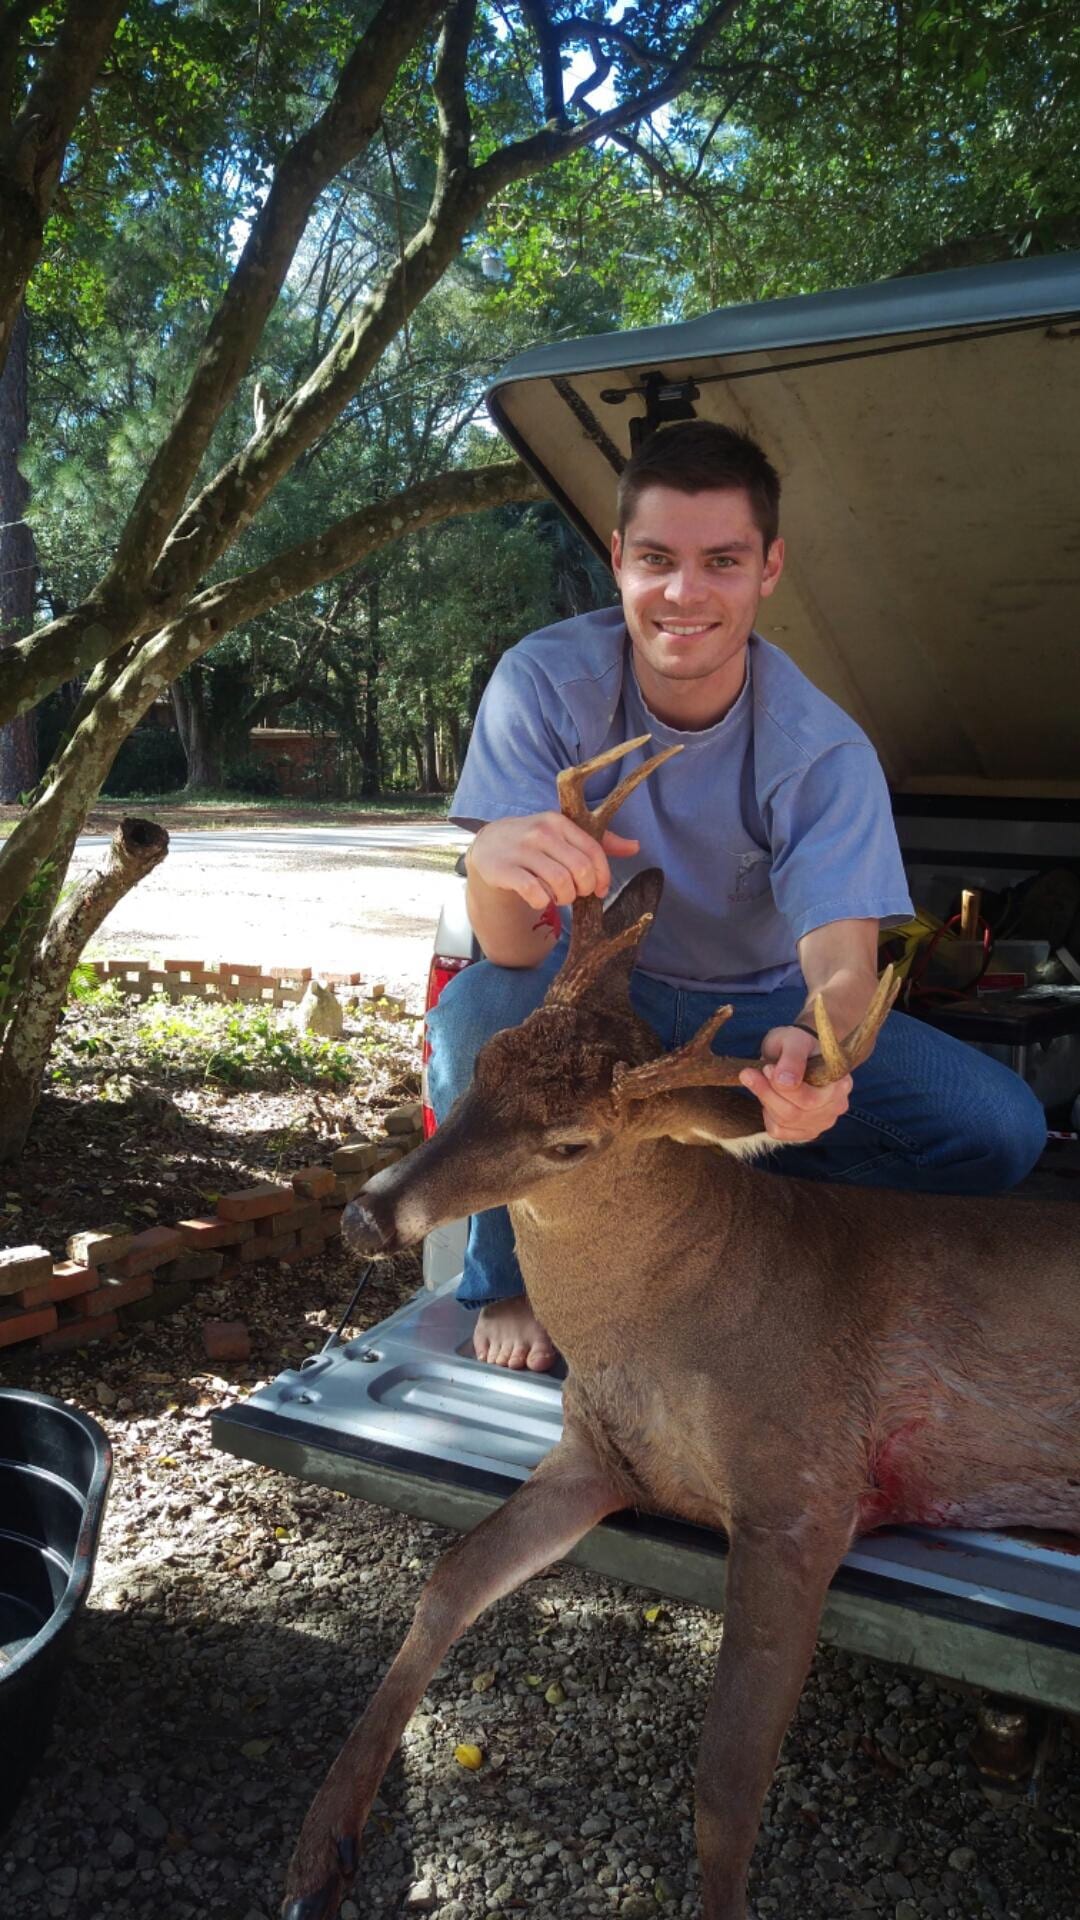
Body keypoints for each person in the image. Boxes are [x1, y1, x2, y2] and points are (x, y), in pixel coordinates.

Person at [427, 421, 1046, 1370]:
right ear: (618, 561)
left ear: (769, 567)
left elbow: (842, 965)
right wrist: (488, 863)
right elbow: (512, 956)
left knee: (999, 1129)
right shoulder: (544, 684)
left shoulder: (821, 750)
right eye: (657, 559)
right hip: (594, 997)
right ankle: (510, 1277)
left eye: (722, 559)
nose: (685, 593)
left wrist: (816, 1055)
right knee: (482, 1011)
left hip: (751, 1012)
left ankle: (748, 1227)